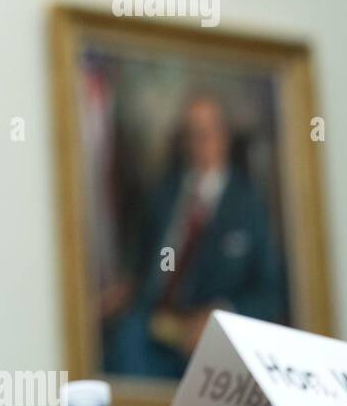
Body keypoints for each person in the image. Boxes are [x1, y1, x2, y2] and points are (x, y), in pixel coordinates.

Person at [104, 94, 286, 379]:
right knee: (125, 341)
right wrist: (123, 290)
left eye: (207, 132)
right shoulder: (163, 196)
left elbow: (271, 293)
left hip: (211, 343)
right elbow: (141, 268)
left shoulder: (248, 204)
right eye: (191, 133)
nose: (199, 142)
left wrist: (222, 315)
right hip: (152, 328)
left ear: (224, 136)